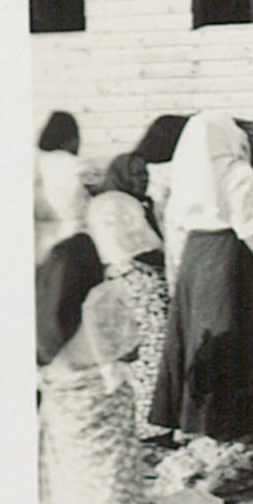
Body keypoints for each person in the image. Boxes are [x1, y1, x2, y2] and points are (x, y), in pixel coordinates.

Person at [147, 112, 253, 441]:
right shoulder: (239, 173)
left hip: (196, 253)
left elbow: (174, 223)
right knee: (228, 330)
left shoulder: (188, 177)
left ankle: (189, 420)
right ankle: (223, 423)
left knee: (198, 333)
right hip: (227, 254)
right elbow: (250, 225)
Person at [38, 233, 150, 504]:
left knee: (70, 470)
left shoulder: (41, 305)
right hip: (102, 391)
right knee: (113, 468)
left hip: (59, 389)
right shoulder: (102, 297)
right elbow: (130, 348)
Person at [87, 153, 171, 422]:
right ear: (120, 175)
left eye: (144, 173)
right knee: (151, 348)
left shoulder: (125, 202)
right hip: (136, 281)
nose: (141, 179)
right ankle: (150, 420)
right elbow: (143, 248)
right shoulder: (116, 204)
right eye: (135, 173)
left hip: (132, 281)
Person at [35, 111, 89, 262]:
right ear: (72, 138)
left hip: (41, 232)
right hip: (72, 230)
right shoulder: (78, 164)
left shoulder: (38, 162)